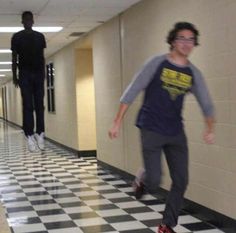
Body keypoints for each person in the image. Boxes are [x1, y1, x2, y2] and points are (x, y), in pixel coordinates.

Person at [108, 22, 215, 233]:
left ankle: (166, 225)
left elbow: (207, 104)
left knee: (181, 180)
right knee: (155, 180)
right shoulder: (156, 63)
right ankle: (143, 178)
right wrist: (117, 121)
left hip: (175, 131)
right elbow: (133, 89)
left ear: (195, 43)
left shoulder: (193, 73)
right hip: (151, 127)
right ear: (173, 41)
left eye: (190, 39)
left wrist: (209, 128)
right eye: (182, 38)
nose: (186, 43)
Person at [11, 11, 46, 152]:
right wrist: (15, 76)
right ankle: (29, 135)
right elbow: (14, 58)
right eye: (25, 20)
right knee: (27, 105)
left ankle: (40, 133)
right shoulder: (17, 37)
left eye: (30, 19)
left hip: (38, 73)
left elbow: (42, 57)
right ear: (22, 22)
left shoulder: (40, 37)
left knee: (39, 105)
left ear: (33, 21)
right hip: (24, 74)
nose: (28, 21)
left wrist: (43, 74)